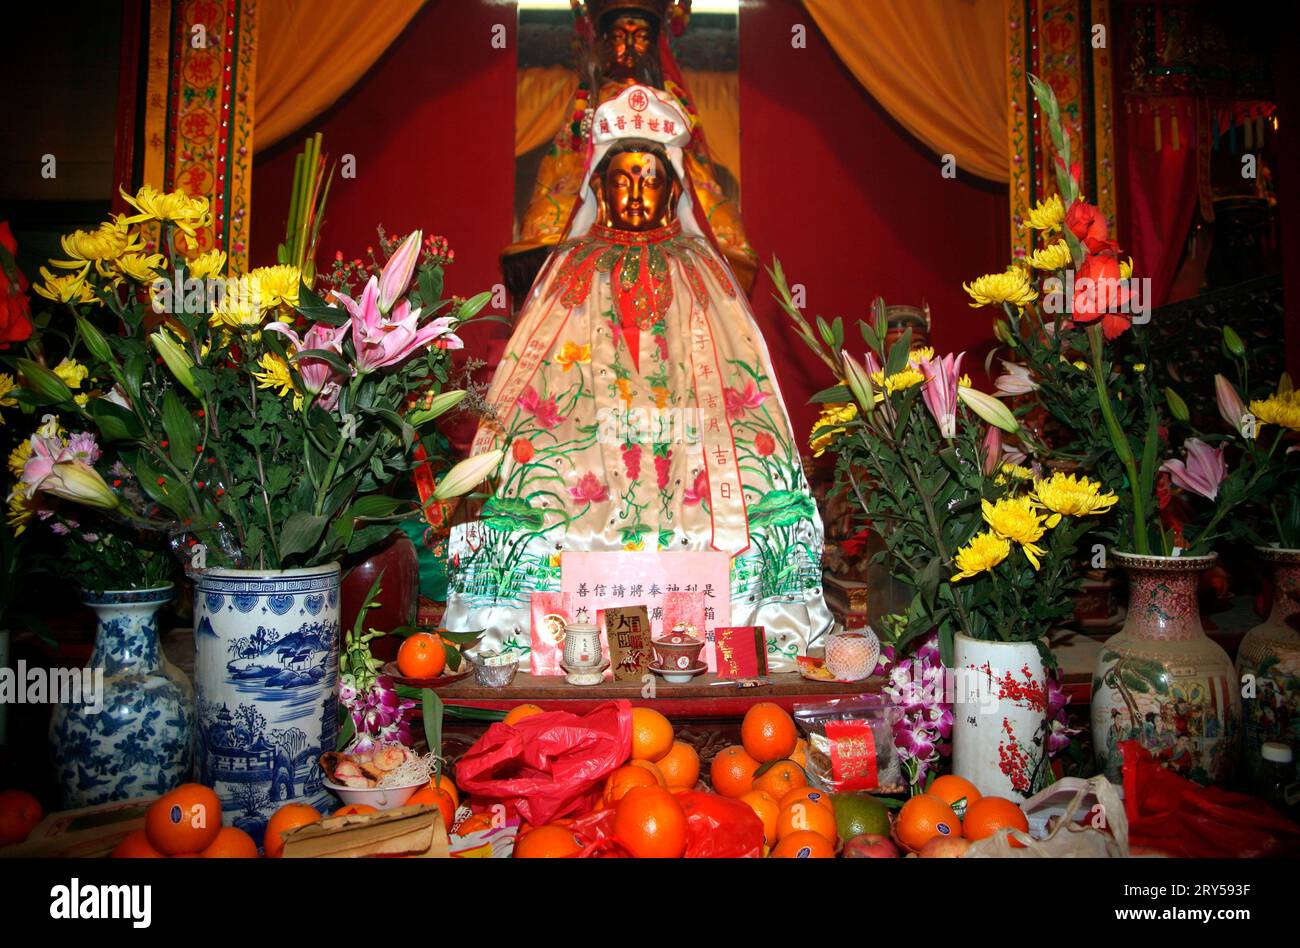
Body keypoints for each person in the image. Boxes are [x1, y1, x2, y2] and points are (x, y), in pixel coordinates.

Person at [445, 84, 833, 666]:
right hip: (588, 445)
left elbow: (741, 377)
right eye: (620, 180)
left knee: (756, 488)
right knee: (530, 486)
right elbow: (539, 385)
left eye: (649, 180)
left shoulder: (703, 269)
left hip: (691, 449)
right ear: (597, 187)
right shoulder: (568, 269)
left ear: (673, 188)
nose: (634, 195)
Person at [503, 0, 755, 299]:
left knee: (722, 227)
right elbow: (566, 156)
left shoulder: (667, 99)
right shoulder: (590, 100)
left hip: (662, 195)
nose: (630, 46)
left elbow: (691, 160)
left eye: (641, 37)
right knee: (544, 223)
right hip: (595, 192)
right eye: (620, 37)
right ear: (606, 42)